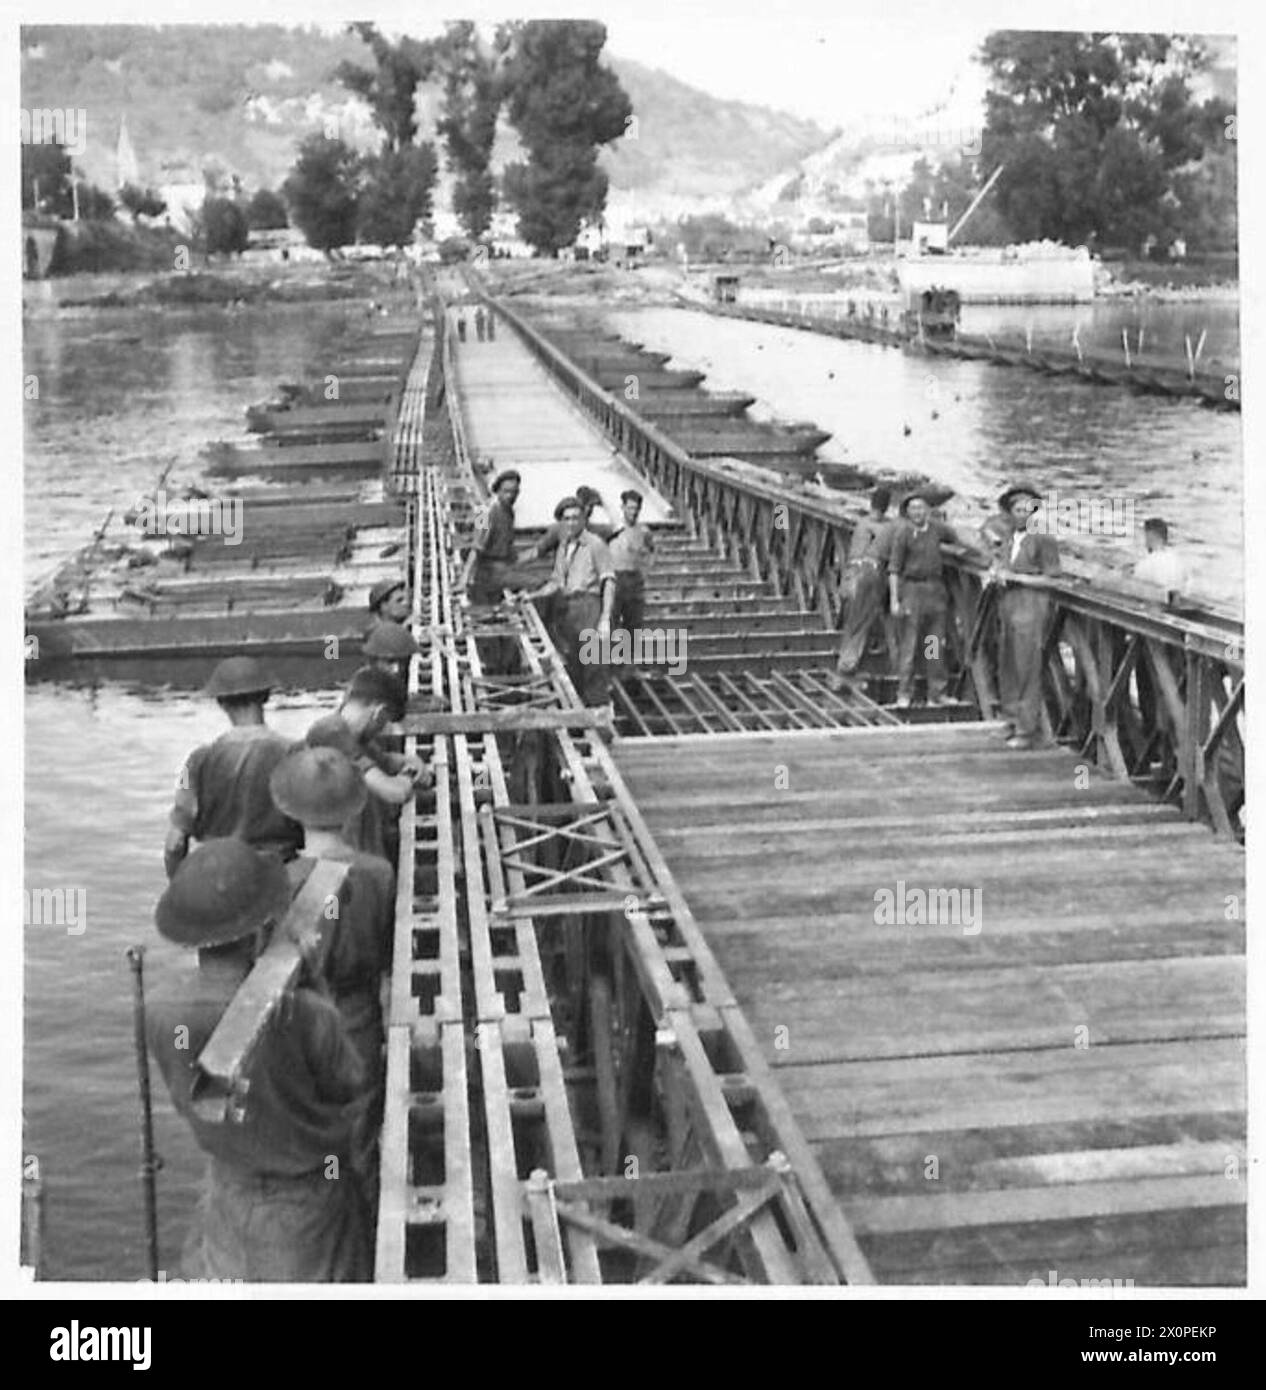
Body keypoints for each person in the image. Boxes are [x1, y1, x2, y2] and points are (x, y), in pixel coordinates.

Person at [146, 840, 373, 1281]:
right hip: (306, 1198)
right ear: (259, 929)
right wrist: (316, 984)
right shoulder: (305, 1012)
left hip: (227, 1188)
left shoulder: (159, 1010)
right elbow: (350, 1083)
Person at [270, 747, 395, 1186]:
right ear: (354, 808)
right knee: (359, 1133)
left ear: (288, 809)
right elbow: (387, 953)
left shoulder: (278, 883)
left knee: (307, 1133)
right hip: (359, 1020)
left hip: (298, 1026)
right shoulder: (379, 874)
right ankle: (364, 1226)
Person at [164, 656, 302, 879]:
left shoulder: (197, 761)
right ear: (266, 696)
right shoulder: (296, 754)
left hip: (217, 879)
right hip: (277, 874)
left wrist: (179, 889)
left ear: (221, 702)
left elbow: (175, 843)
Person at [305, 666, 426, 866]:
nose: (382, 729)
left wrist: (409, 761)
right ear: (379, 712)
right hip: (339, 864)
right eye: (384, 722)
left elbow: (384, 761)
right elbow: (394, 792)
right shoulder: (332, 734)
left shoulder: (352, 735)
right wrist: (410, 774)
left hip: (361, 852)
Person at [888, 491, 985, 710]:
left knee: (933, 644)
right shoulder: (903, 534)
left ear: (929, 510)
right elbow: (893, 569)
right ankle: (904, 693)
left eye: (921, 508)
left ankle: (937, 693)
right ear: (907, 512)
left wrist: (981, 555)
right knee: (910, 646)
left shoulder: (936, 529)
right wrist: (895, 600)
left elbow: (959, 539)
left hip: (935, 592)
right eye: (913, 508)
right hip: (912, 592)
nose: (918, 512)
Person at [986, 484, 1062, 750]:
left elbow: (1053, 579)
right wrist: (995, 572)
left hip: (1031, 606)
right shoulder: (1009, 537)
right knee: (1006, 662)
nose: (1021, 514)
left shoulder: (1042, 538)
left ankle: (1026, 727)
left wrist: (1018, 578)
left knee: (1027, 666)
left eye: (1026, 509)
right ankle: (1010, 717)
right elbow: (999, 558)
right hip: (1008, 605)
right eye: (1016, 509)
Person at [526, 495, 616, 706]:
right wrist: (533, 595)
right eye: (567, 519)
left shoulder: (595, 544)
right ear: (560, 522)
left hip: (589, 607)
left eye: (576, 518)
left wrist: (604, 619)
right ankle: (582, 717)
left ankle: (601, 720)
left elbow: (609, 582)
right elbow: (556, 582)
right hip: (569, 610)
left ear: (584, 519)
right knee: (574, 665)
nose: (572, 523)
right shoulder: (563, 546)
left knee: (594, 666)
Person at [829, 486, 896, 691]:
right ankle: (846, 671)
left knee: (853, 623)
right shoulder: (885, 528)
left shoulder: (862, 523)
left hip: (851, 576)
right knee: (859, 625)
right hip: (868, 578)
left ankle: (849, 669)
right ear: (887, 506)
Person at [462, 470, 521, 607]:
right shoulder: (484, 512)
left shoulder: (509, 512)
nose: (510, 496)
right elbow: (476, 547)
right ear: (497, 491)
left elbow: (509, 543)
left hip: (501, 569)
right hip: (485, 571)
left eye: (514, 492)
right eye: (506, 491)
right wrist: (465, 578)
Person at [606, 489, 654, 641]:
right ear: (623, 507)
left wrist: (645, 572)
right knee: (611, 622)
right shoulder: (613, 528)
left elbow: (652, 551)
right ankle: (612, 660)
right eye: (630, 508)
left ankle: (629, 662)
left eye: (636, 509)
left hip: (634, 580)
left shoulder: (644, 531)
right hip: (616, 579)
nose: (633, 512)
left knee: (633, 624)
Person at [1133, 517, 1191, 598]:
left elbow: (1134, 585)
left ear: (1149, 536)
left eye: (1144, 535)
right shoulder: (1178, 561)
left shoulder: (1147, 563)